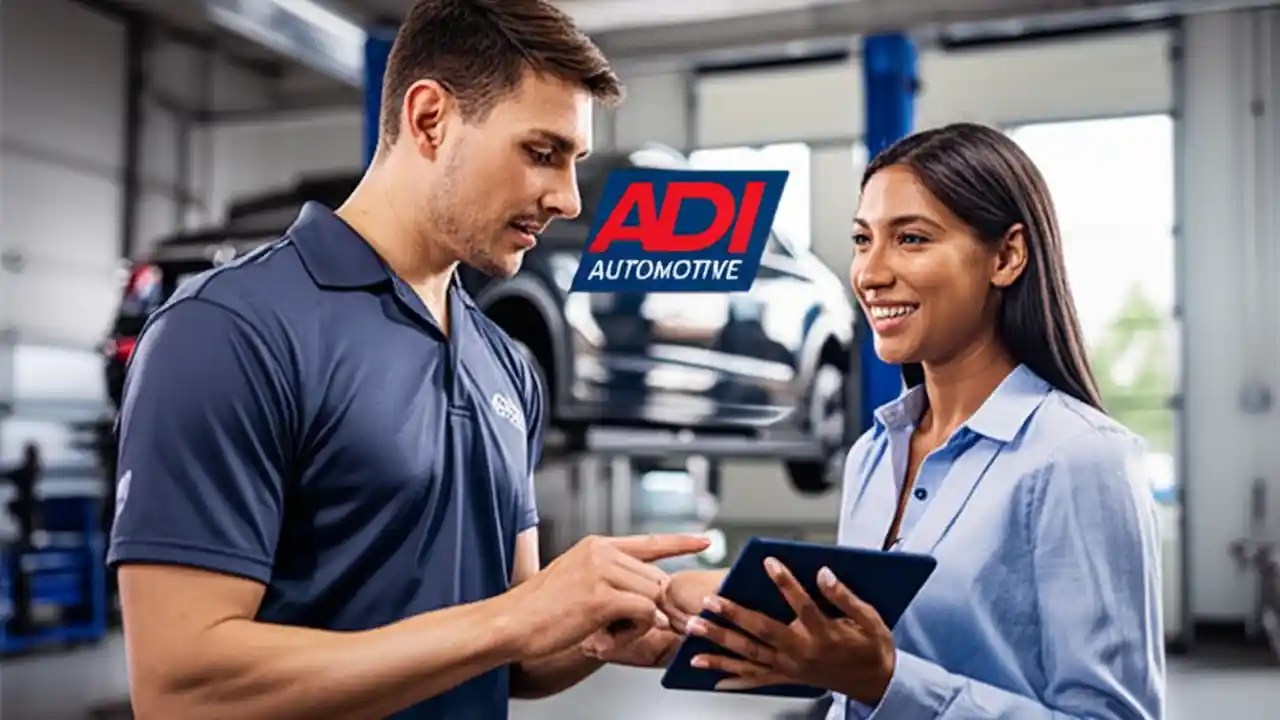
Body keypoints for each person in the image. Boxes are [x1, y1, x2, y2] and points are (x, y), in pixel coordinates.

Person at [106, 1, 709, 718]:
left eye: (574, 162)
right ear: (429, 120)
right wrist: (513, 619)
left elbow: (508, 650)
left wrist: (612, 624)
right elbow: (182, 689)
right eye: (541, 153)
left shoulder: (506, 366)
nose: (570, 200)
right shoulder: (228, 331)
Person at [656, 123, 1165, 719]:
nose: (870, 273)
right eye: (862, 239)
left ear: (1007, 256)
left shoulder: (1079, 459)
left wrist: (890, 681)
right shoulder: (873, 456)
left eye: (912, 239)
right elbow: (855, 679)